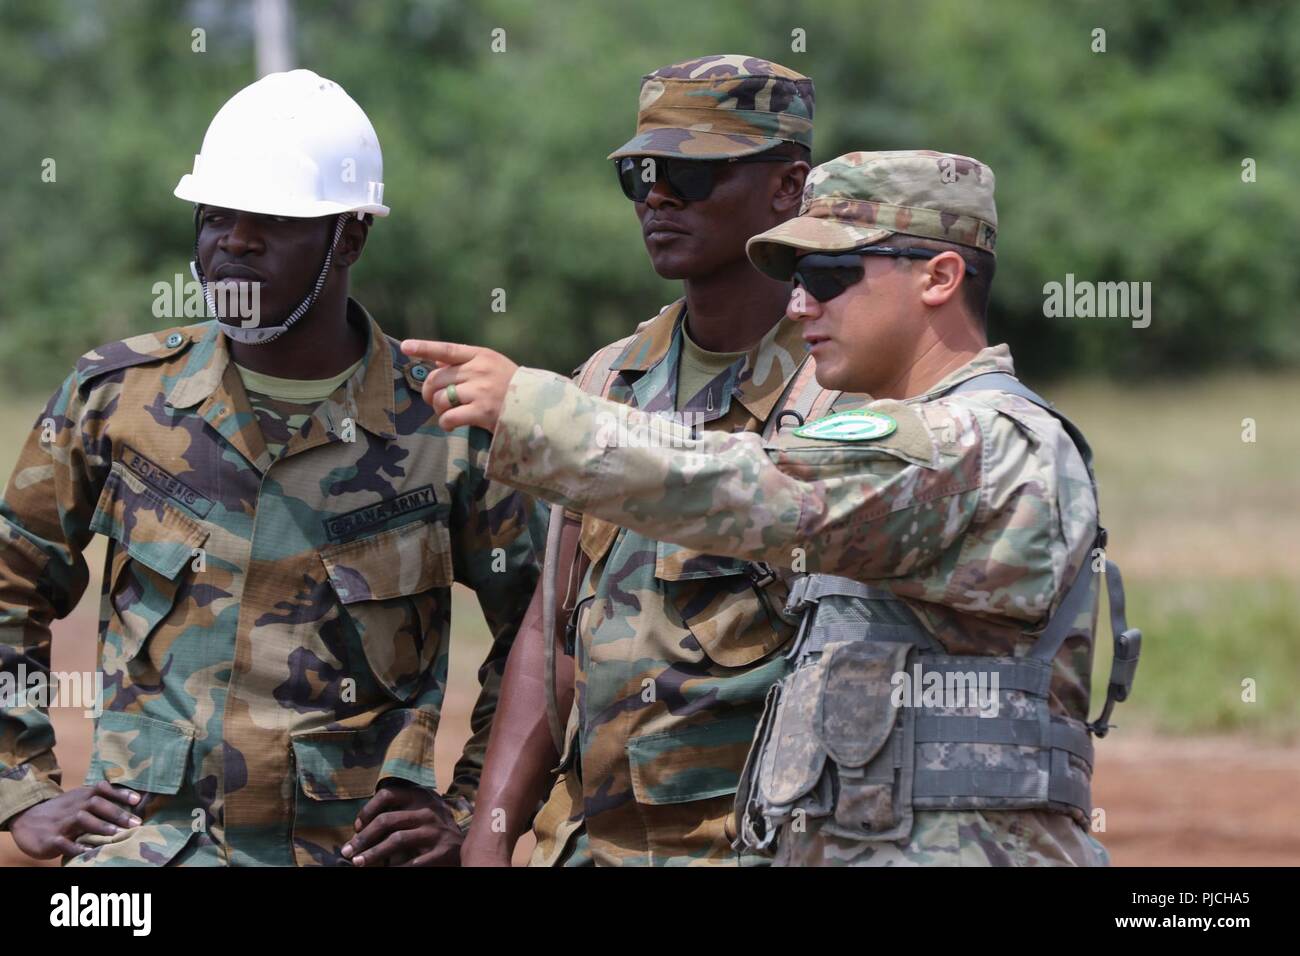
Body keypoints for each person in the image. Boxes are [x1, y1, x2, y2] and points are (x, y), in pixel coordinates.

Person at [403, 149, 1142, 865]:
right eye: (795, 277)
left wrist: (536, 412)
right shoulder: (919, 434)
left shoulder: (981, 444)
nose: (799, 302)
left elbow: (749, 486)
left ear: (940, 277)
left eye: (829, 273)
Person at [0, 69, 542, 866]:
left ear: (350, 238)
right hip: (144, 858)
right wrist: (23, 789)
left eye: (273, 221)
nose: (235, 241)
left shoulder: (449, 430)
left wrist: (465, 809)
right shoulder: (115, 397)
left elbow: (541, 634)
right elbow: (10, 582)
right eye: (217, 215)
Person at [458, 54, 859, 867]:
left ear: (789, 189)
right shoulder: (609, 380)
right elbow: (553, 635)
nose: (658, 197)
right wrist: (491, 830)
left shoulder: (841, 391)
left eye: (690, 173)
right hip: (592, 844)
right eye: (641, 175)